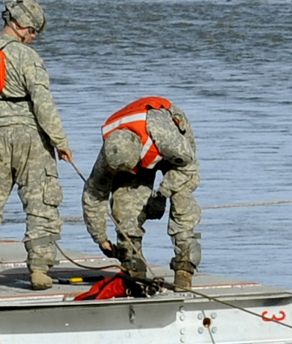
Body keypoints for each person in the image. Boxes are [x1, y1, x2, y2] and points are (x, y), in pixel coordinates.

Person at [0, 0, 70, 291]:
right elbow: (43, 102)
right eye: (32, 31)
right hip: (30, 136)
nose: (33, 37)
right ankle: (40, 270)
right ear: (20, 25)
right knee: (41, 204)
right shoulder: (26, 56)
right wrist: (60, 141)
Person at [81, 95, 202, 291]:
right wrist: (101, 238)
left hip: (175, 152)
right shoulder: (110, 152)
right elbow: (93, 194)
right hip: (139, 149)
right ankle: (133, 264)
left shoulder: (168, 140)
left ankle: (184, 267)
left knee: (182, 202)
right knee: (125, 203)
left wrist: (161, 195)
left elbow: (188, 168)